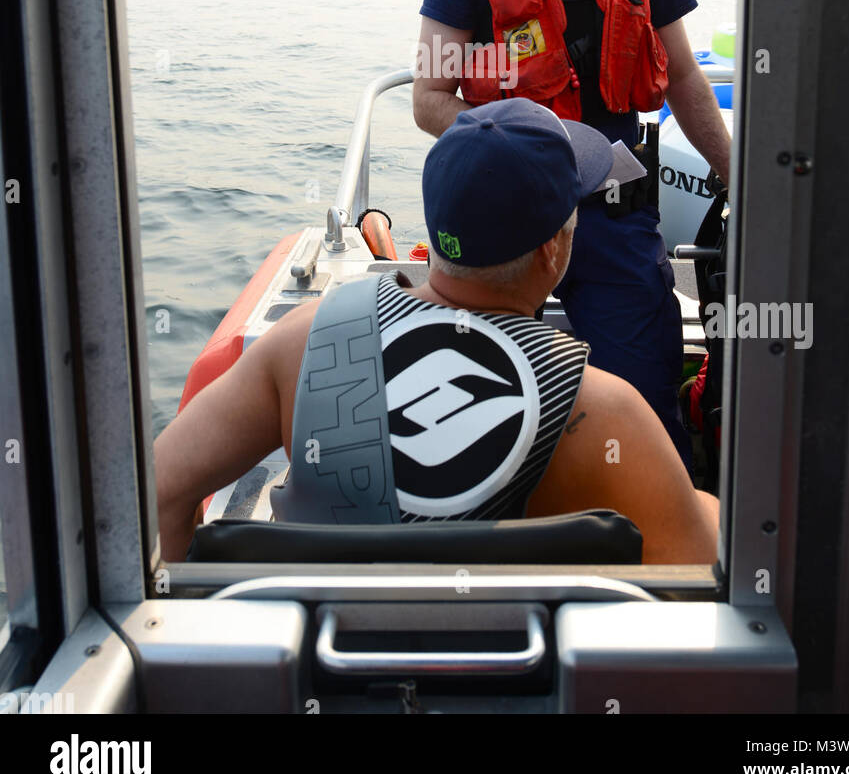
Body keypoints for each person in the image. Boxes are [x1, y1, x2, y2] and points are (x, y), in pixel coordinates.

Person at [154, 100, 719, 564]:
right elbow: (698, 573)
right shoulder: (601, 412)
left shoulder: (302, 344)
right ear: (554, 250)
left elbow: (158, 490)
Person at [413, 0, 731, 473]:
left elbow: (682, 77)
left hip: (612, 217)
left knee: (641, 400)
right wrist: (525, 154)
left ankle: (653, 535)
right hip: (507, 218)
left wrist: (736, 172)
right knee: (477, 400)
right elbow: (429, 98)